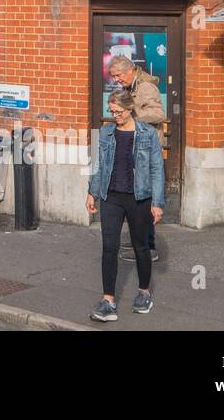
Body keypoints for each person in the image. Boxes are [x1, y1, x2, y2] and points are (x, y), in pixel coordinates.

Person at [86, 89, 164, 322]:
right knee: (109, 247)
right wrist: (92, 192)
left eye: (119, 111)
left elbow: (156, 170)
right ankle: (108, 300)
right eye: (112, 111)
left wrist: (157, 203)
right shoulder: (106, 132)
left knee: (141, 246)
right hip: (111, 197)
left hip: (138, 198)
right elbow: (99, 165)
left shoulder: (147, 134)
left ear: (130, 109)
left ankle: (143, 292)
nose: (115, 115)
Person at [107, 55, 165, 261]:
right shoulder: (133, 86)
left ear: (129, 70)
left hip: (147, 150)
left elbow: (159, 114)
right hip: (138, 148)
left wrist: (132, 116)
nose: (116, 80)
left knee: (144, 197)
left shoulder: (145, 87)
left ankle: (148, 248)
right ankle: (138, 240)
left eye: (118, 76)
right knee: (137, 196)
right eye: (114, 77)